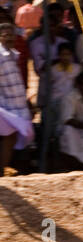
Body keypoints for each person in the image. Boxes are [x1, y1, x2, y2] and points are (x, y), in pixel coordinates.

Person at [0, 22, 33, 174]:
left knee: (13, 137)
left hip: (16, 105)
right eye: (5, 35)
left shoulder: (13, 54)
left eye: (11, 35)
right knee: (11, 136)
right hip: (5, 106)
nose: (9, 38)